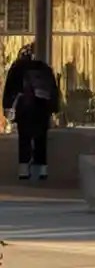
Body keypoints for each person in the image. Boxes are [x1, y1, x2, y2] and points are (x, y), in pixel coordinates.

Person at [2, 44, 61, 180]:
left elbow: (10, 88)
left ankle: (23, 169)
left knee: (24, 138)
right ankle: (42, 169)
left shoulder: (17, 68)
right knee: (41, 139)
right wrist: (54, 107)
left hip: (24, 107)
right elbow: (53, 89)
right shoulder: (45, 68)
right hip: (42, 107)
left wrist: (7, 106)